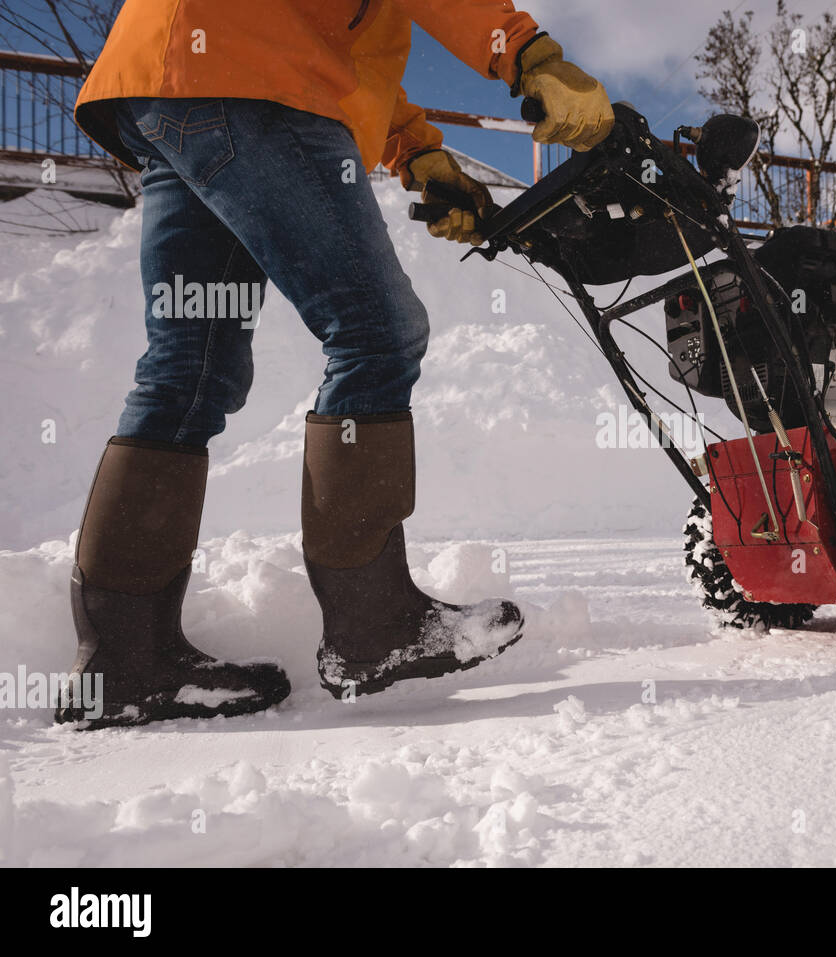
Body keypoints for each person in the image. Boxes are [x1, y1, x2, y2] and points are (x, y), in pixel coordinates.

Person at [57, 0, 614, 728]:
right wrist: (524, 52)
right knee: (376, 331)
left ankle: (122, 662)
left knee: (189, 366)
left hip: (172, 82)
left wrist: (416, 151)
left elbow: (341, 46)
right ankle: (373, 628)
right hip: (246, 74)